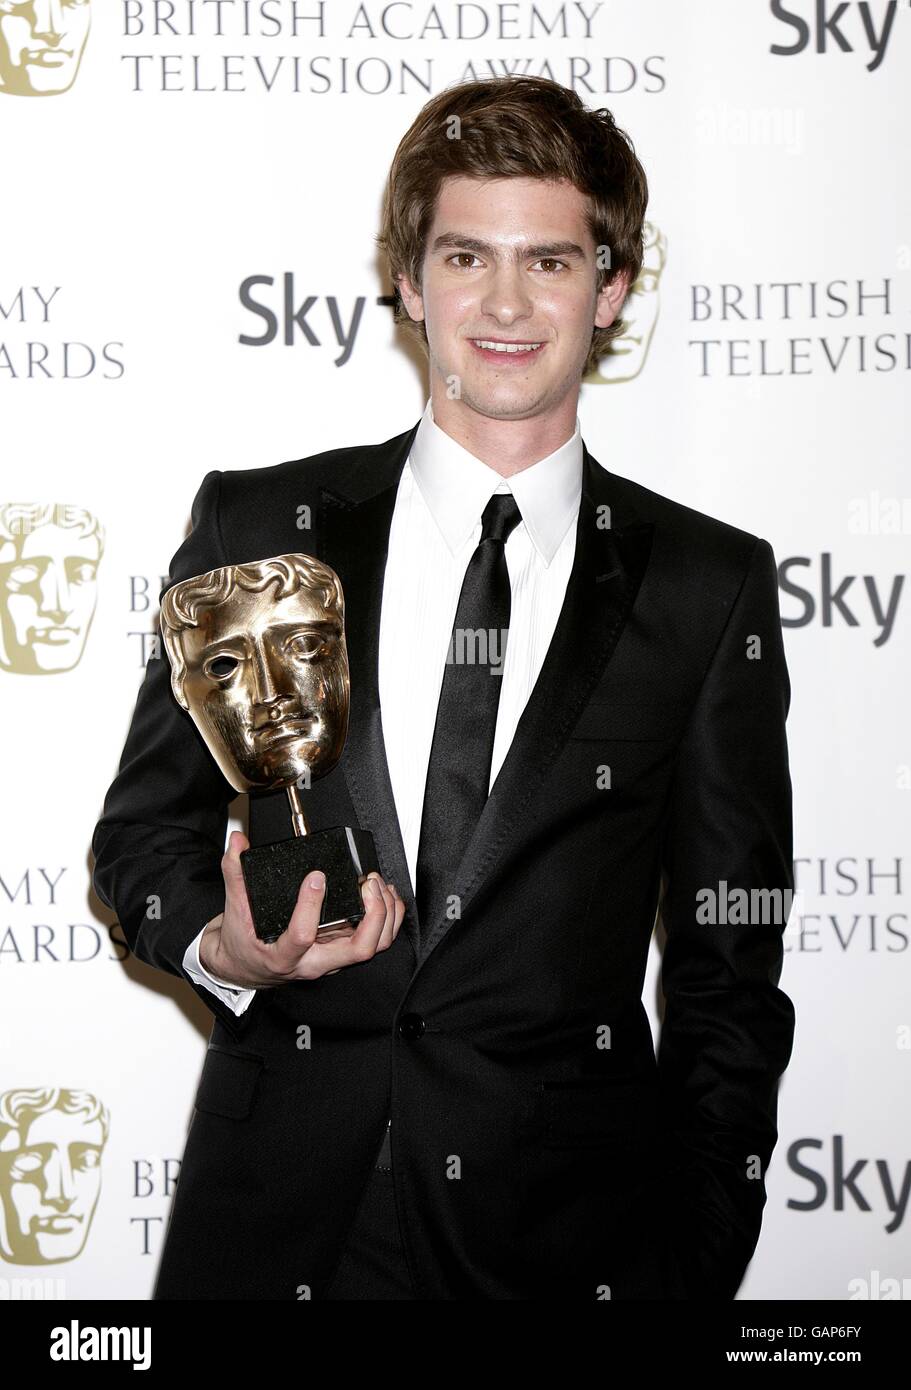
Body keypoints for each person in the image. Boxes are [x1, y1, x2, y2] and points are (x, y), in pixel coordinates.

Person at [91, 75, 796, 1300]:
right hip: (276, 1239)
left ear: (610, 288)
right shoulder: (262, 529)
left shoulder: (706, 587)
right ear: (408, 282)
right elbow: (141, 837)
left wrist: (691, 1263)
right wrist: (226, 950)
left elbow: (726, 974)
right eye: (466, 256)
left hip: (569, 1249)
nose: (506, 304)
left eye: (550, 262)